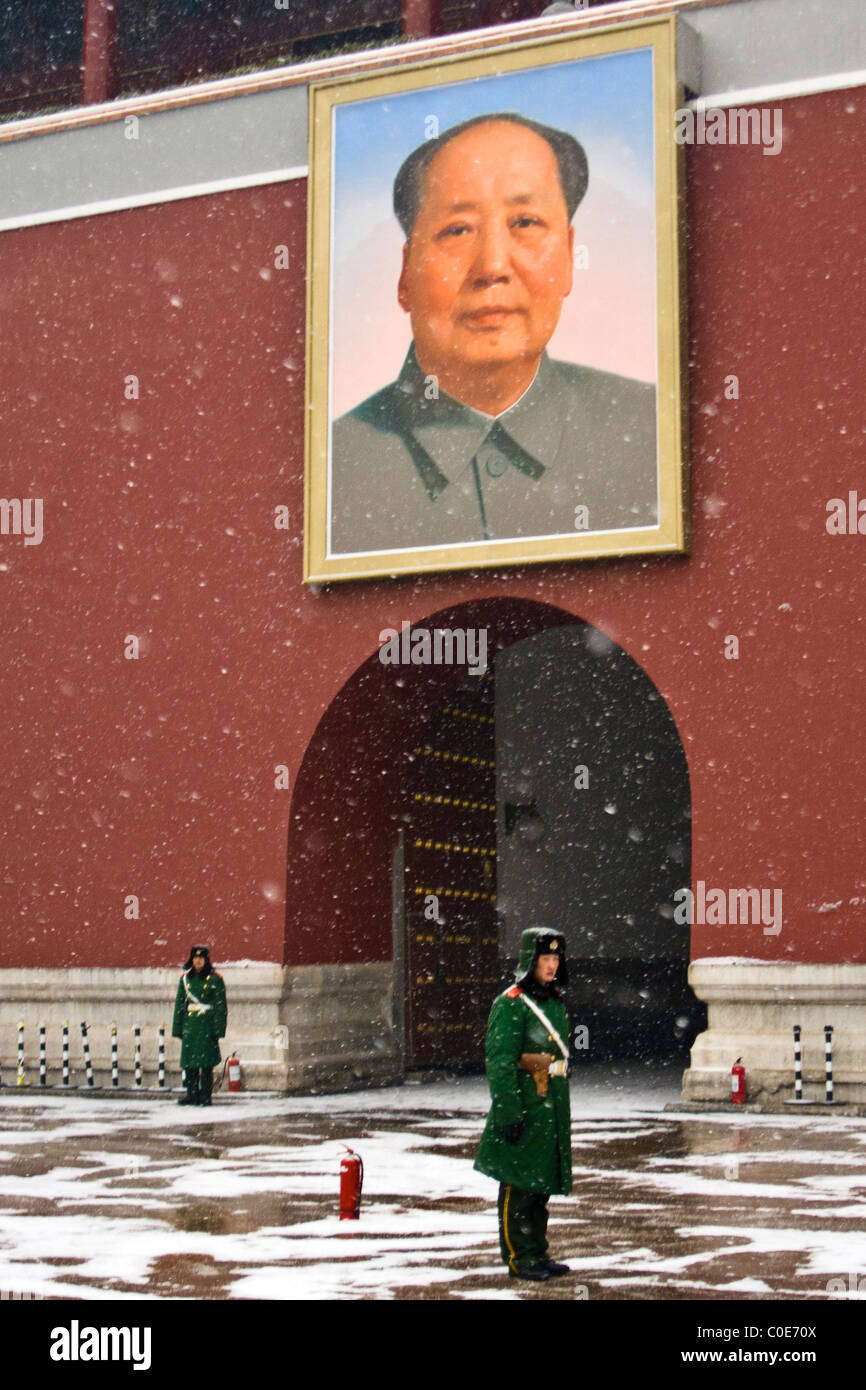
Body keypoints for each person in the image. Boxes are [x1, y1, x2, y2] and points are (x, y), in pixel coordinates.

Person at [331, 113, 657, 554]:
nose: (492, 267)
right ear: (406, 274)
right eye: (458, 230)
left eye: (525, 223)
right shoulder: (331, 474)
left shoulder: (653, 435)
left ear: (566, 255)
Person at [474, 927, 572, 1281]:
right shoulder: (511, 1003)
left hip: (550, 1106)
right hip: (524, 1105)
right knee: (519, 1183)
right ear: (529, 962)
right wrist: (509, 1110)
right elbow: (500, 1062)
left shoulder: (553, 1001)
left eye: (555, 958)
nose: (551, 965)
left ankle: (537, 1252)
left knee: (540, 1185)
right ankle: (518, 1257)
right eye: (545, 959)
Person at [171, 945, 227, 1107]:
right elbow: (180, 1005)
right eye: (195, 958)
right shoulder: (185, 979)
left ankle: (205, 1095)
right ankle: (192, 1093)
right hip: (191, 1025)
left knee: (206, 1064)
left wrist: (218, 1029)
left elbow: (220, 1007)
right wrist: (178, 1028)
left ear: (206, 960)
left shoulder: (215, 979)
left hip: (206, 1026)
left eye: (201, 958)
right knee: (190, 1064)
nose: (198, 961)